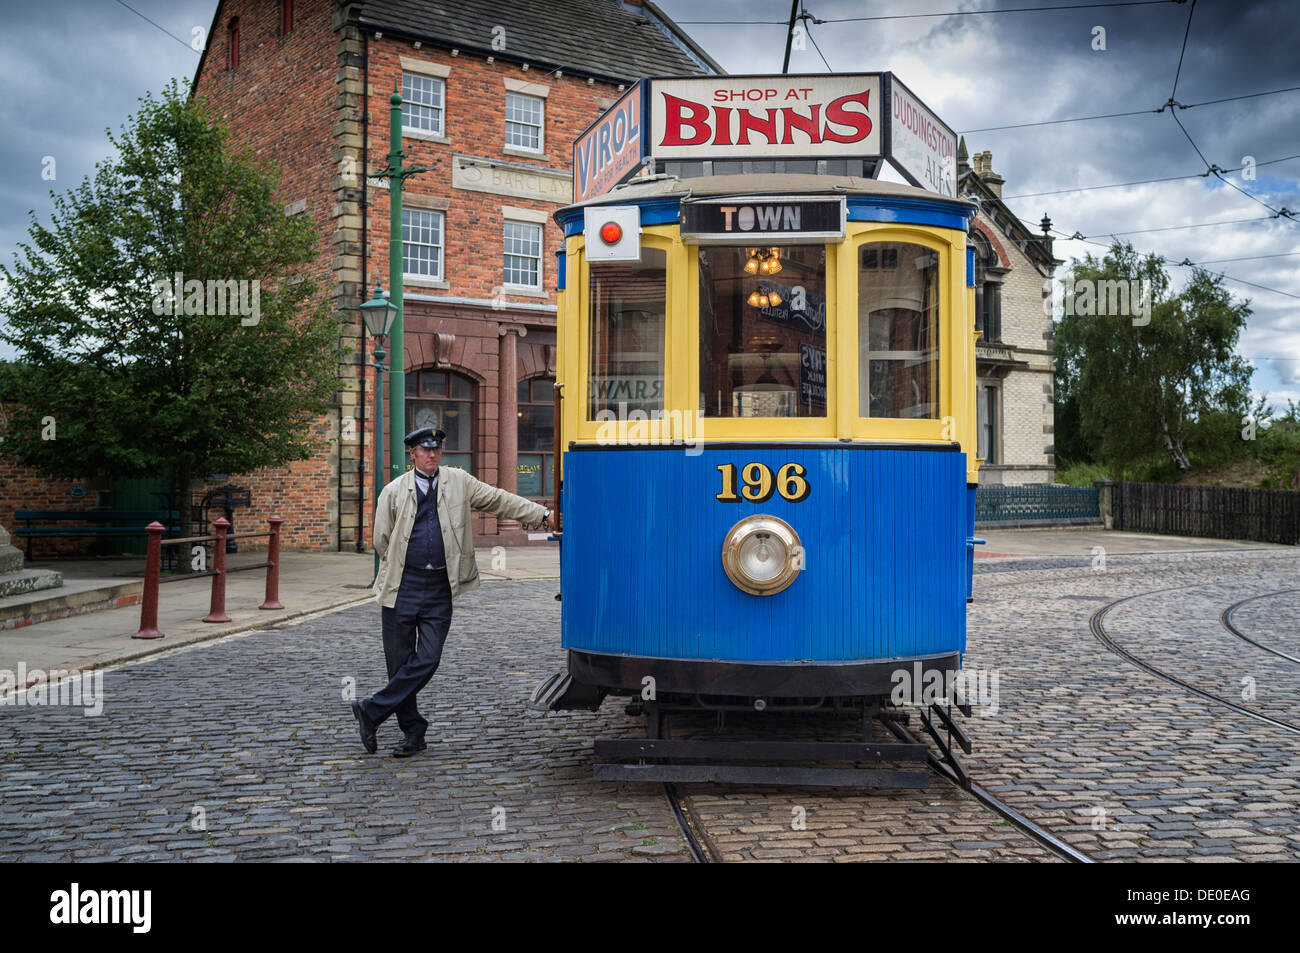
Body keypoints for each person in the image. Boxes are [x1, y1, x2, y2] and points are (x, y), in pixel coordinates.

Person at [350, 426, 553, 756]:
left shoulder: (460, 482)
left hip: (439, 588)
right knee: (400, 667)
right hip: (401, 588)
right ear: (412, 454)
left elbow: (500, 500)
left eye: (436, 449)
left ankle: (371, 710)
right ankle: (413, 734)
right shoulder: (393, 491)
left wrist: (542, 514)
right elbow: (380, 540)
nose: (432, 454)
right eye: (424, 449)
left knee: (427, 659)